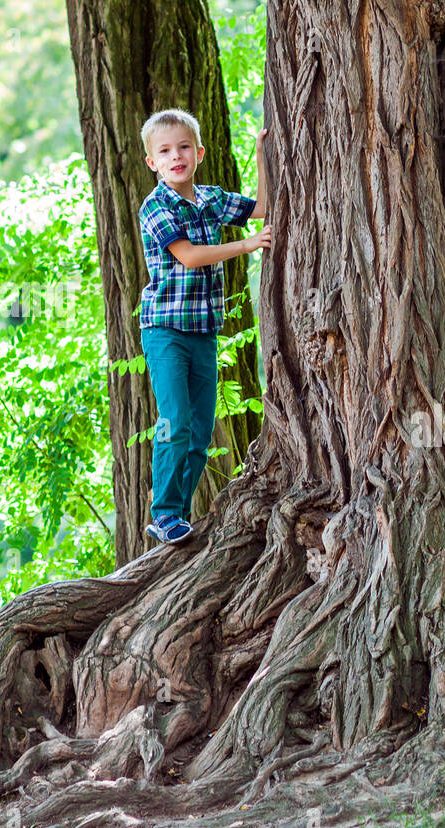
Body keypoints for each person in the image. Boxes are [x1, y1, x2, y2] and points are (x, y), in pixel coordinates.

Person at [135, 108, 271, 545]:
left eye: (183, 147)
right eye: (165, 151)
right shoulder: (155, 206)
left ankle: (180, 512)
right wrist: (248, 246)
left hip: (203, 330)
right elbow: (189, 255)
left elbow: (261, 208)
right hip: (166, 331)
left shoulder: (211, 198)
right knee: (175, 419)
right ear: (152, 162)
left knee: (200, 425)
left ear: (198, 152)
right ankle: (165, 512)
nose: (176, 156)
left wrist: (262, 155)